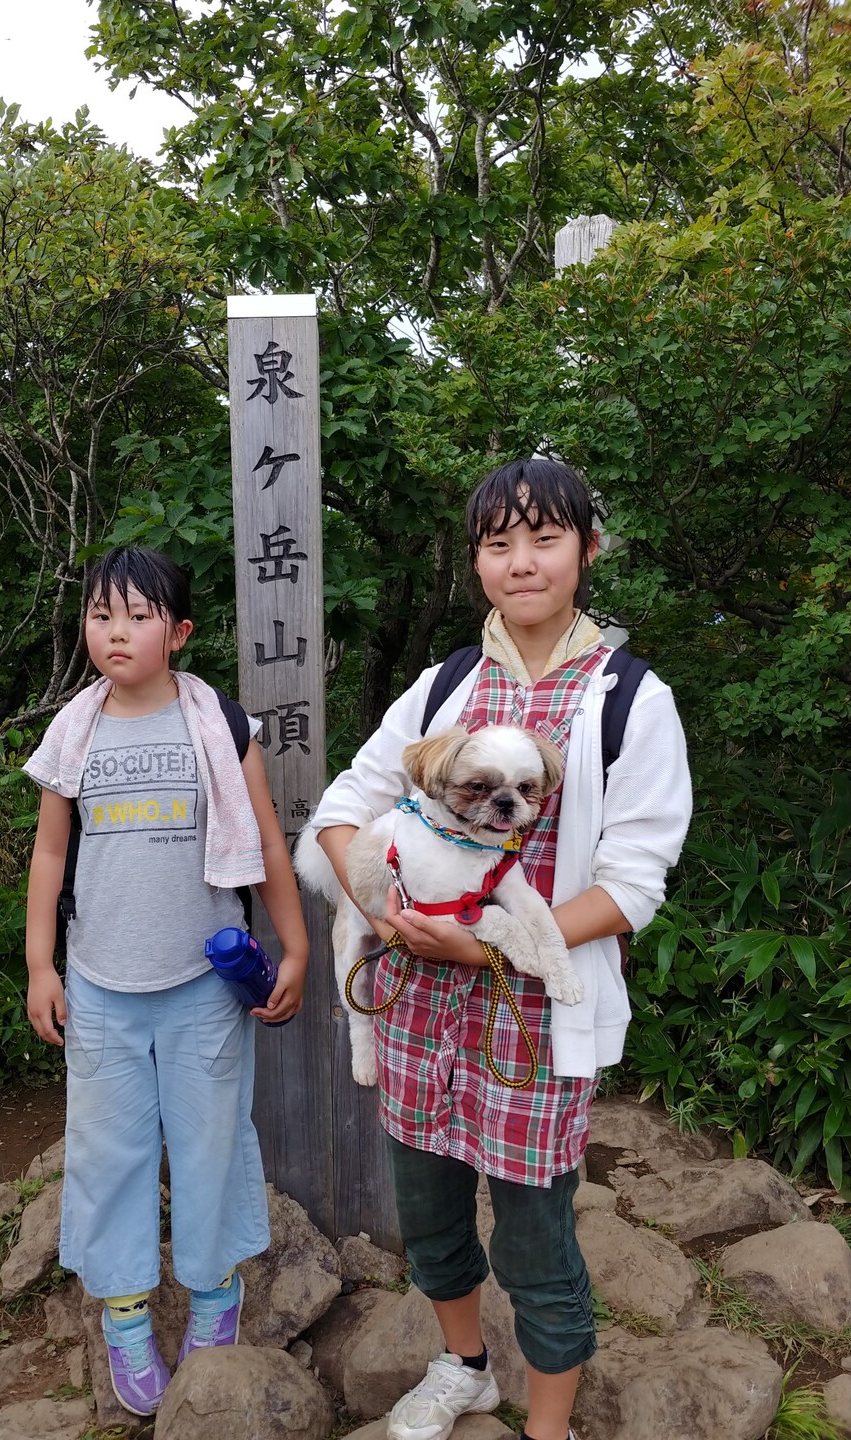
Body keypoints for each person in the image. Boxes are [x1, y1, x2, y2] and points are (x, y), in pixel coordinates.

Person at [311, 458, 691, 1440]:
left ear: (587, 549)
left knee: (536, 1242)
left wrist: (489, 944)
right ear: (477, 559)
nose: (521, 562)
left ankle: (549, 1428)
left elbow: (633, 881)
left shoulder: (629, 700)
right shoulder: (444, 688)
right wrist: (383, 902)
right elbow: (346, 809)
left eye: (545, 538)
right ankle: (466, 1366)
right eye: (498, 542)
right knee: (431, 1223)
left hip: (533, 1021)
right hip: (414, 1015)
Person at [23, 546, 309, 1417]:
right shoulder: (75, 732)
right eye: (102, 614)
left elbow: (264, 842)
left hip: (201, 984)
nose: (116, 632)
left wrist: (294, 950)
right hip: (102, 984)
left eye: (138, 616)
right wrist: (40, 964)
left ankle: (216, 1298)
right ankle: (123, 1311)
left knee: (209, 1141)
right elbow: (47, 851)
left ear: (178, 633)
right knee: (110, 1155)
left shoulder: (219, 725)